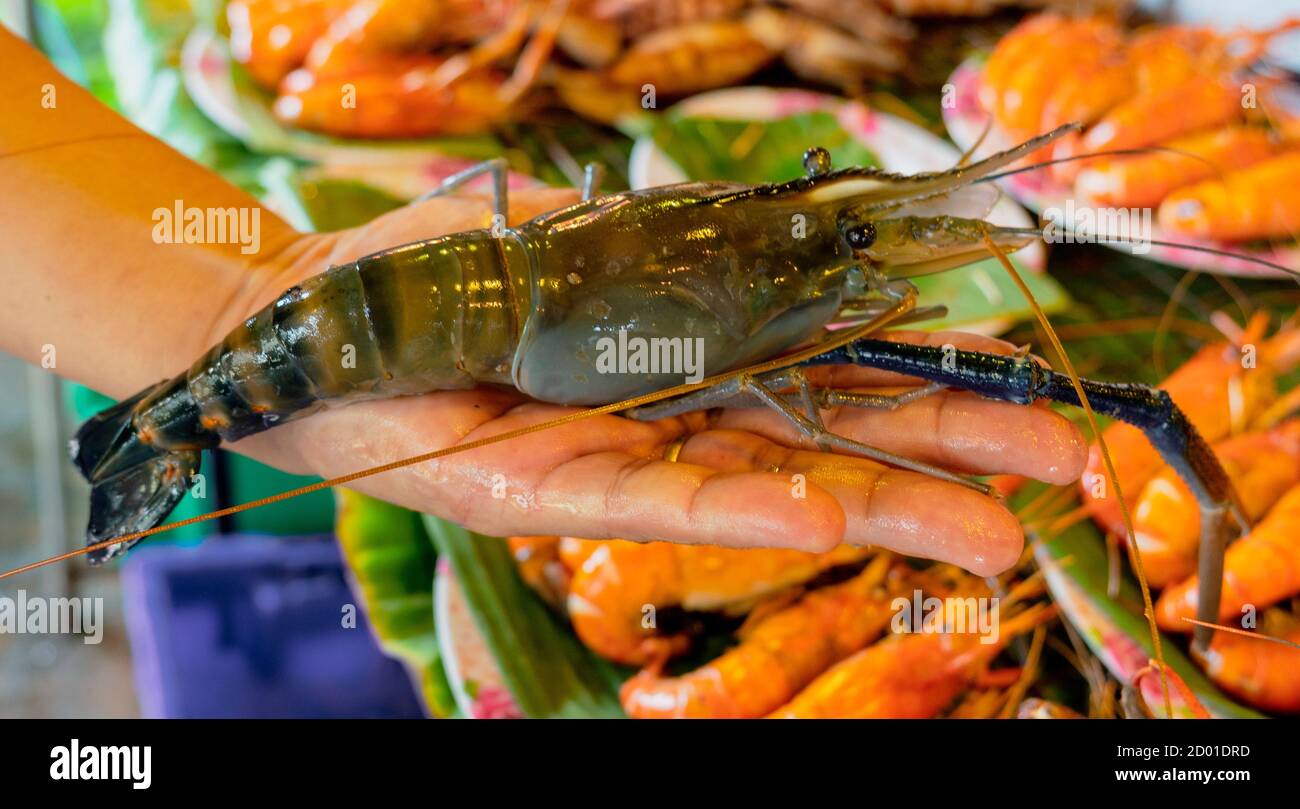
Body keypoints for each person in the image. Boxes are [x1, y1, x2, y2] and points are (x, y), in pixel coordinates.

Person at [0, 26, 1085, 575]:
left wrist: (225, 302)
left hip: (383, 301)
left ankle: (162, 415)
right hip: (351, 326)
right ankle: (164, 423)